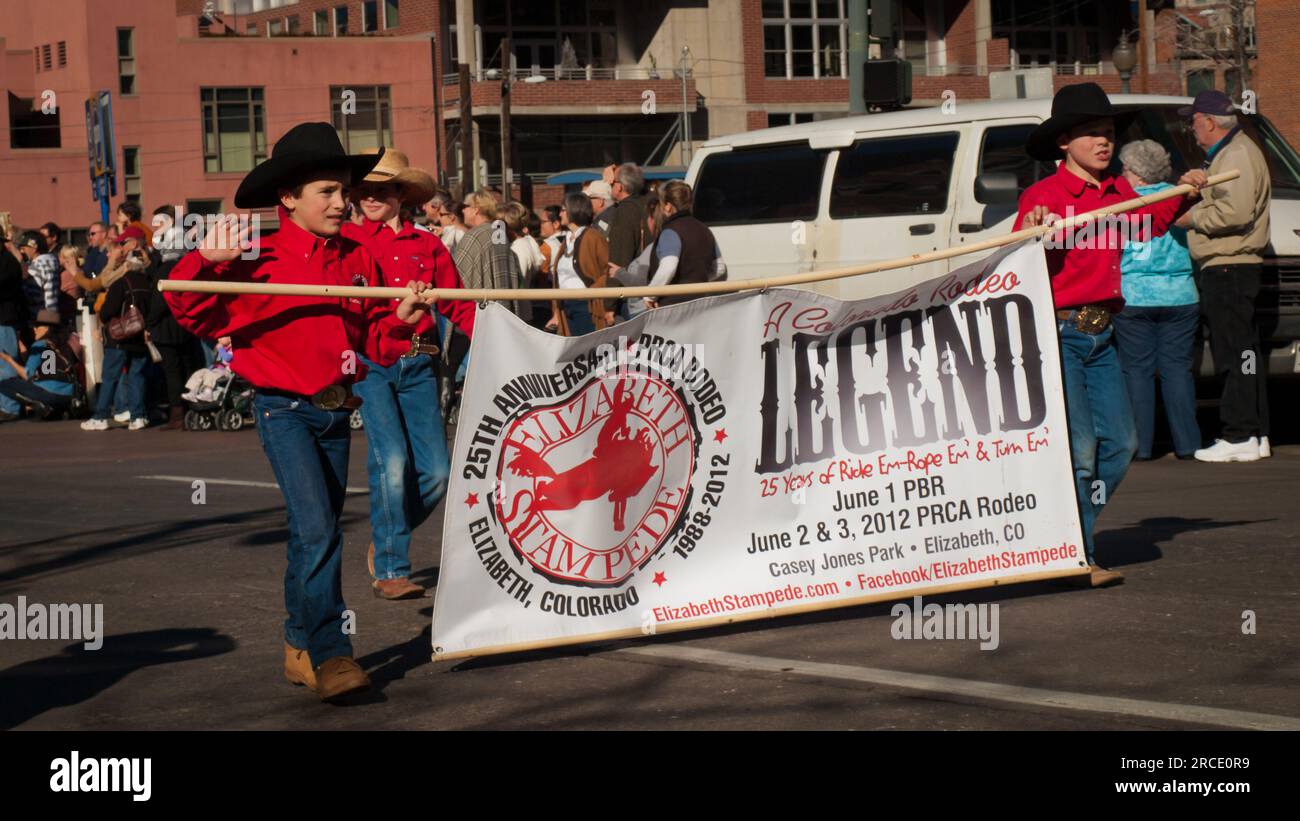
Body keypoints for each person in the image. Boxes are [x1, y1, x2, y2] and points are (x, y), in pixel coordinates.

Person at [163, 122, 437, 701]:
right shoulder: (255, 255)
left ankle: (298, 642)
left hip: (338, 413)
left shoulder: (358, 256)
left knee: (312, 535)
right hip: (281, 410)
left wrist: (403, 323)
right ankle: (333, 653)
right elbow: (187, 309)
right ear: (288, 198)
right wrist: (206, 261)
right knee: (317, 530)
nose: (343, 203)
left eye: (344, 191)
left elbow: (375, 340)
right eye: (328, 193)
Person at [1016, 83, 1208, 588]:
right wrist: (1033, 228)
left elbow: (1144, 224)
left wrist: (1184, 191)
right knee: (1081, 449)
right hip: (1057, 334)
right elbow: (1018, 257)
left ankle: (1066, 536)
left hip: (1104, 335)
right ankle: (1077, 553)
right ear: (1064, 143)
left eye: (1107, 133)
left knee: (1121, 445)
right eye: (1092, 134)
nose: (1104, 142)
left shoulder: (1118, 191)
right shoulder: (1043, 196)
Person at [343, 147, 475, 601]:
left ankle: (387, 538)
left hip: (420, 363)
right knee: (392, 463)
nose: (370, 197)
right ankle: (392, 566)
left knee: (438, 472)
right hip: (372, 365)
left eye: (381, 189)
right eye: (363, 189)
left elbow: (458, 303)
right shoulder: (348, 243)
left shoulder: (428, 245)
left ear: (402, 195)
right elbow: (351, 311)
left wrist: (500, 339)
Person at [1176, 90, 1273, 463]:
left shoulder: (1236, 155)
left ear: (1210, 122)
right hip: (1235, 265)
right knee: (1245, 352)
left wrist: (1190, 218)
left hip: (1228, 265)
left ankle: (1239, 435)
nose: (1191, 128)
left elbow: (1234, 213)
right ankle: (1256, 433)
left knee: (1233, 353)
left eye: (1193, 121)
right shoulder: (1236, 152)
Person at [1109, 140, 1201, 461]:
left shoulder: (1124, 202)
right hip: (1180, 293)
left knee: (1137, 371)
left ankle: (1141, 445)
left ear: (1135, 173)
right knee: (1177, 370)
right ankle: (1188, 443)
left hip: (1136, 294)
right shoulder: (1179, 196)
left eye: (1124, 169)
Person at [80, 226, 153, 431]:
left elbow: (107, 311)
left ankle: (101, 416)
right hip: (139, 338)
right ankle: (138, 416)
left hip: (119, 338)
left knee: (110, 377)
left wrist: (104, 320)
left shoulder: (122, 283)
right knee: (136, 376)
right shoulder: (148, 283)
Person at [645, 181, 727, 308]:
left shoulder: (670, 231)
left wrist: (650, 295)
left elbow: (669, 266)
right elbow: (720, 268)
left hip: (672, 306)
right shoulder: (704, 229)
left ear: (667, 206)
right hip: (699, 303)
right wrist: (698, 282)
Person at [452, 189, 527, 318]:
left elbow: (458, 276)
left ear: (476, 209)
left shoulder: (473, 236)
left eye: (465, 206)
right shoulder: (500, 233)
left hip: (480, 314)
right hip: (503, 312)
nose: (463, 210)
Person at [548, 192, 615, 335]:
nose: (560, 214)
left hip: (586, 306)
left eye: (563, 210)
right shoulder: (566, 240)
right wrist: (556, 312)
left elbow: (608, 271)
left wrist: (591, 292)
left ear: (574, 210)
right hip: (565, 306)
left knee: (588, 352)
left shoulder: (593, 237)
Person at [0, 309, 80, 421]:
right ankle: (59, 409)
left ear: (46, 328)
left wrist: (8, 359)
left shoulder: (39, 344)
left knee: (4, 384)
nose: (34, 329)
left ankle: (41, 406)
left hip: (48, 395)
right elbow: (50, 367)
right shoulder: (66, 344)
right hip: (68, 396)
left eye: (37, 327)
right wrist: (25, 352)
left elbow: (27, 374)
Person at [15, 231, 60, 325]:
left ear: (34, 247)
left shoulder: (37, 266)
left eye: (24, 248)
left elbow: (29, 296)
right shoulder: (52, 262)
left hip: (40, 318)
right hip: (52, 315)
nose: (22, 251)